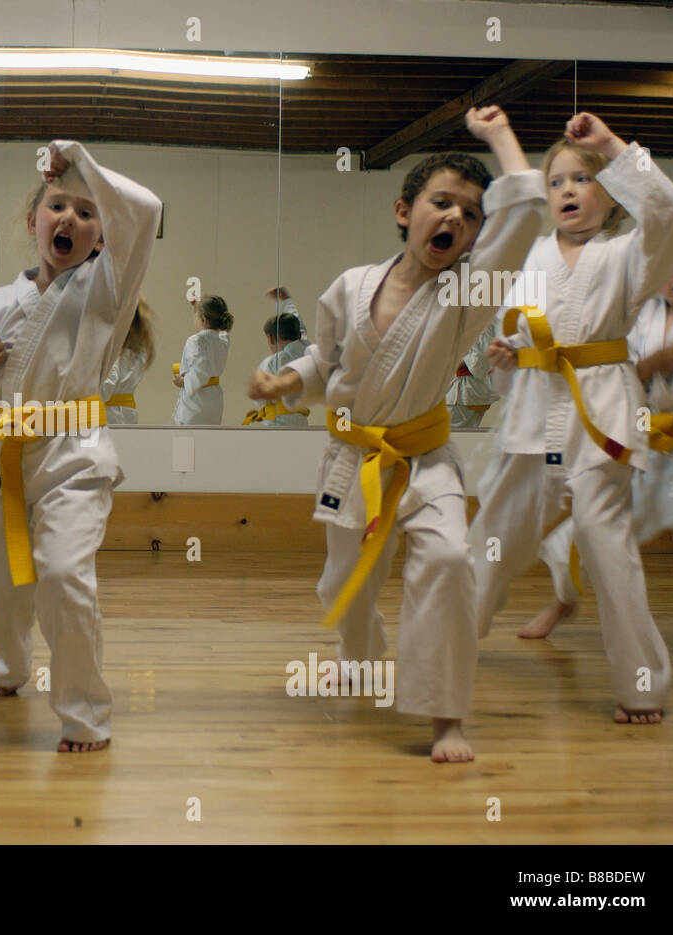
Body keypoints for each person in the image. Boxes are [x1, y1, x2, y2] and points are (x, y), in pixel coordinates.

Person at [249, 105, 545, 762]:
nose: (456, 220)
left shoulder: (469, 293)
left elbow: (524, 214)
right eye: (442, 203)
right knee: (344, 585)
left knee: (445, 560)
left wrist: (498, 136)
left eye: (471, 215)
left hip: (425, 458)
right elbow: (326, 363)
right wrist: (286, 383)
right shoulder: (350, 288)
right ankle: (358, 661)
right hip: (353, 456)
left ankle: (445, 716)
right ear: (403, 211)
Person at [0, 140, 161, 751]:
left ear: (104, 238)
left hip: (75, 456)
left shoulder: (106, 291)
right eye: (59, 206)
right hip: (5, 460)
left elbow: (146, 206)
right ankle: (7, 663)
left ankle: (85, 713)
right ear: (32, 222)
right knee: (0, 591)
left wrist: (79, 156)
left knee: (63, 575)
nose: (71, 221)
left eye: (88, 214)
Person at [470, 113, 673, 726]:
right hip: (532, 415)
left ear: (612, 191)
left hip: (602, 415)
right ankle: (452, 643)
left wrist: (613, 147)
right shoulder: (530, 256)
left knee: (609, 550)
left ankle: (642, 686)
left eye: (583, 179)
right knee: (492, 540)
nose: (567, 190)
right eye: (557, 181)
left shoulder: (629, 254)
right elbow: (511, 342)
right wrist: (506, 359)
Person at [524, 233, 673, 639]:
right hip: (651, 449)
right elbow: (617, 376)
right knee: (585, 531)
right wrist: (650, 364)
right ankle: (563, 600)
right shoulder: (635, 317)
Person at [243, 288, 309, 426]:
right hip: (301, 422)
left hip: (276, 423)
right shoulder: (306, 352)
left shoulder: (272, 362)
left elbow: (259, 396)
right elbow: (300, 327)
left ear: (270, 338)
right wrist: (286, 301)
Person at [171, 294, 231, 425]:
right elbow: (217, 331)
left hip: (196, 402)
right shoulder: (223, 339)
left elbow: (201, 371)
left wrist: (183, 382)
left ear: (203, 319)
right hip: (215, 400)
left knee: (187, 441)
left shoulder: (195, 341)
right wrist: (197, 307)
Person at [100, 297, 154, 425]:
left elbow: (107, 387)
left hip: (110, 415)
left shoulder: (114, 349)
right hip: (128, 413)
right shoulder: (140, 349)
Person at [445, 320, 500, 428]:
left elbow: (478, 363)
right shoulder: (488, 321)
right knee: (465, 434)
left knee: (449, 431)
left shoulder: (484, 324)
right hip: (474, 388)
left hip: (468, 388)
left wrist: (451, 363)